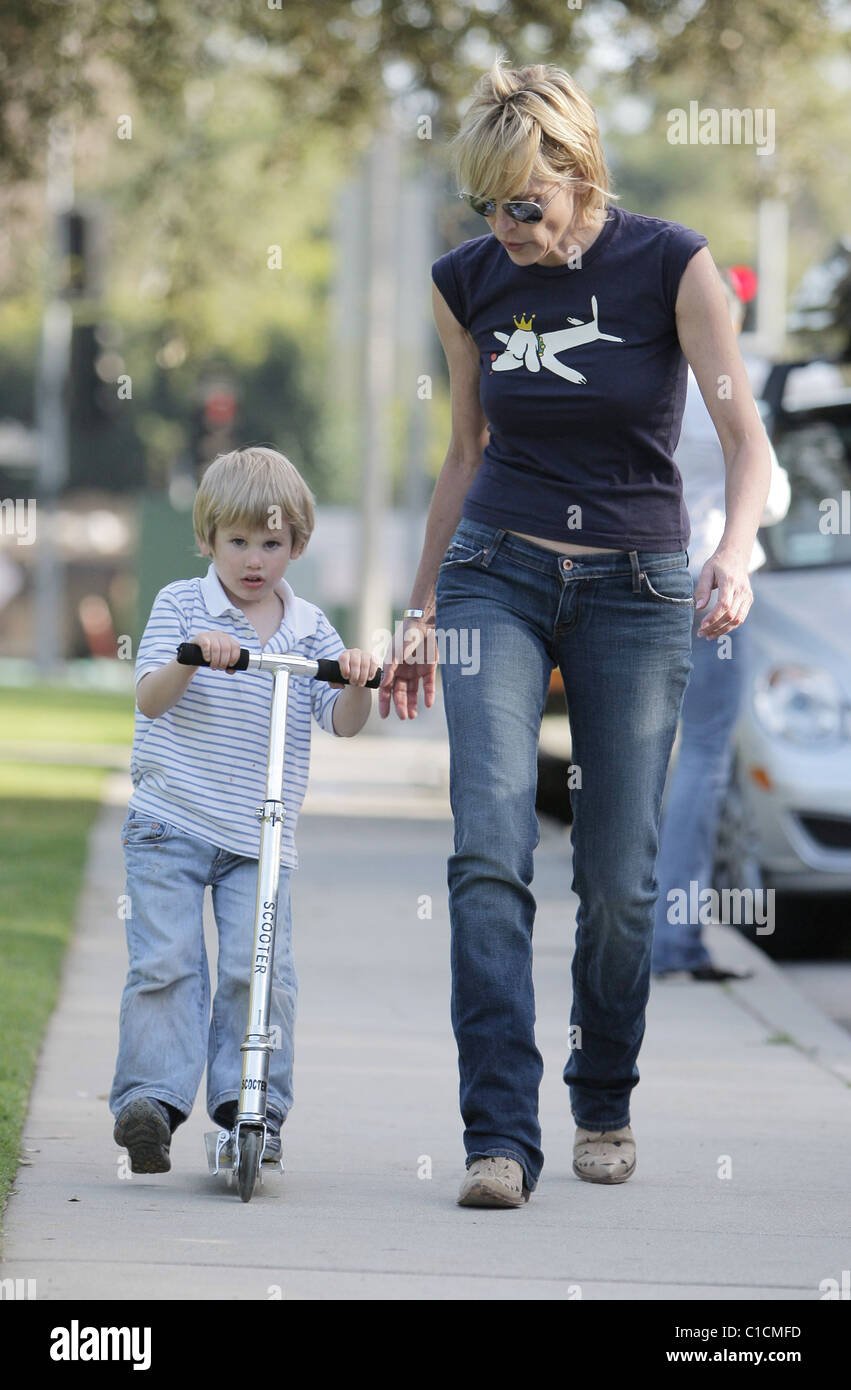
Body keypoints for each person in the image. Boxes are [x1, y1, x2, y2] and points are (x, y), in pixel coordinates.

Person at [378, 57, 772, 1208]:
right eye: (484, 205)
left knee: (617, 880)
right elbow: (463, 455)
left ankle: (602, 1089)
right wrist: (416, 610)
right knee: (488, 851)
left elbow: (744, 441)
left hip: (636, 590)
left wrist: (732, 551)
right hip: (493, 575)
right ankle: (497, 1134)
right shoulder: (466, 280)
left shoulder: (669, 263)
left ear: (577, 174)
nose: (502, 227)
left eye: (523, 204)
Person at [110, 447, 379, 1174]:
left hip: (260, 836)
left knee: (259, 972)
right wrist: (193, 656)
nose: (254, 560)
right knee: (165, 963)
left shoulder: (310, 627)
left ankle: (248, 1106)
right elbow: (149, 698)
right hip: (172, 818)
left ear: (296, 544)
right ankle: (152, 1103)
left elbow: (342, 721)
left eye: (272, 543)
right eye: (238, 542)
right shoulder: (181, 605)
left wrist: (354, 679)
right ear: (207, 539)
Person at [651, 270, 791, 980]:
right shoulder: (731, 395)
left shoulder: (648, 383)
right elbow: (773, 495)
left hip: (639, 582)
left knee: (630, 766)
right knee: (701, 761)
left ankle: (616, 937)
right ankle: (672, 941)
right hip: (714, 587)